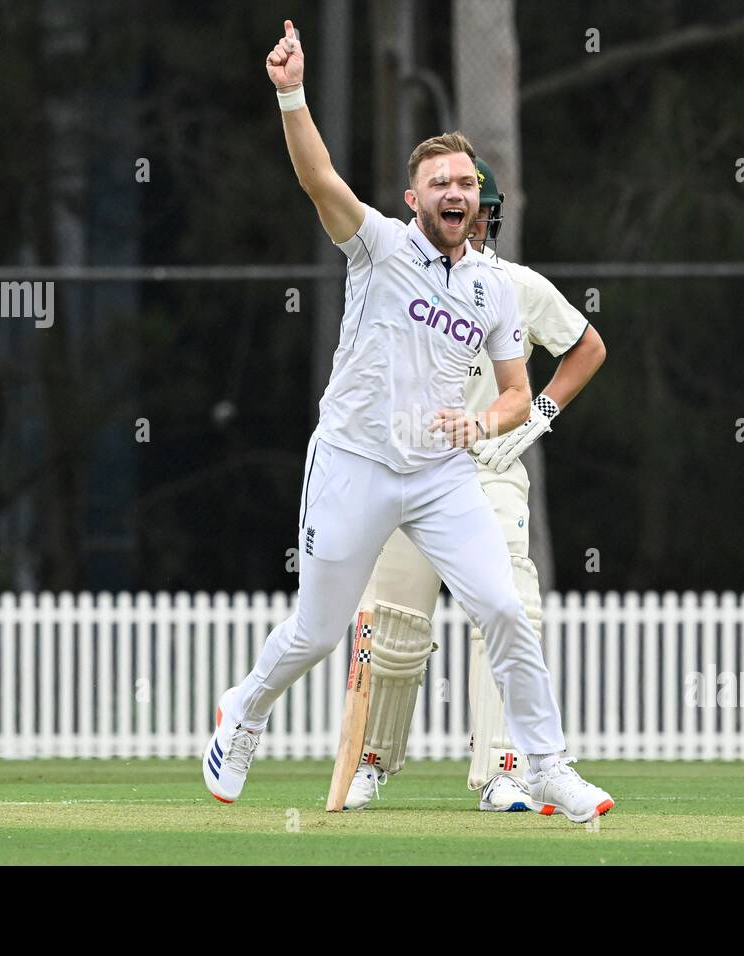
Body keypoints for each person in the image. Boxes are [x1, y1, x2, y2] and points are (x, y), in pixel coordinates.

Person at [201, 19, 613, 823]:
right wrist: (291, 93)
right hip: (354, 463)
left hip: (439, 474)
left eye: (466, 183)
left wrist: (483, 426)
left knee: (502, 609)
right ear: (413, 198)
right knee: (319, 634)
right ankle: (244, 710)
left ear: (477, 198)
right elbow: (319, 178)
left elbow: (513, 394)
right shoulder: (378, 247)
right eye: (440, 184)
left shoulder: (495, 288)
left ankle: (548, 767)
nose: (456, 193)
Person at [343, 157, 606, 812]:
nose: (471, 214)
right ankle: (370, 762)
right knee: (396, 625)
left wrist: (540, 415)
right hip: (410, 471)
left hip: (488, 475)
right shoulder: (398, 276)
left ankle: (505, 770)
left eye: (479, 203)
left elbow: (587, 345)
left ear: (489, 214)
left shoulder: (515, 285)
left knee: (509, 611)